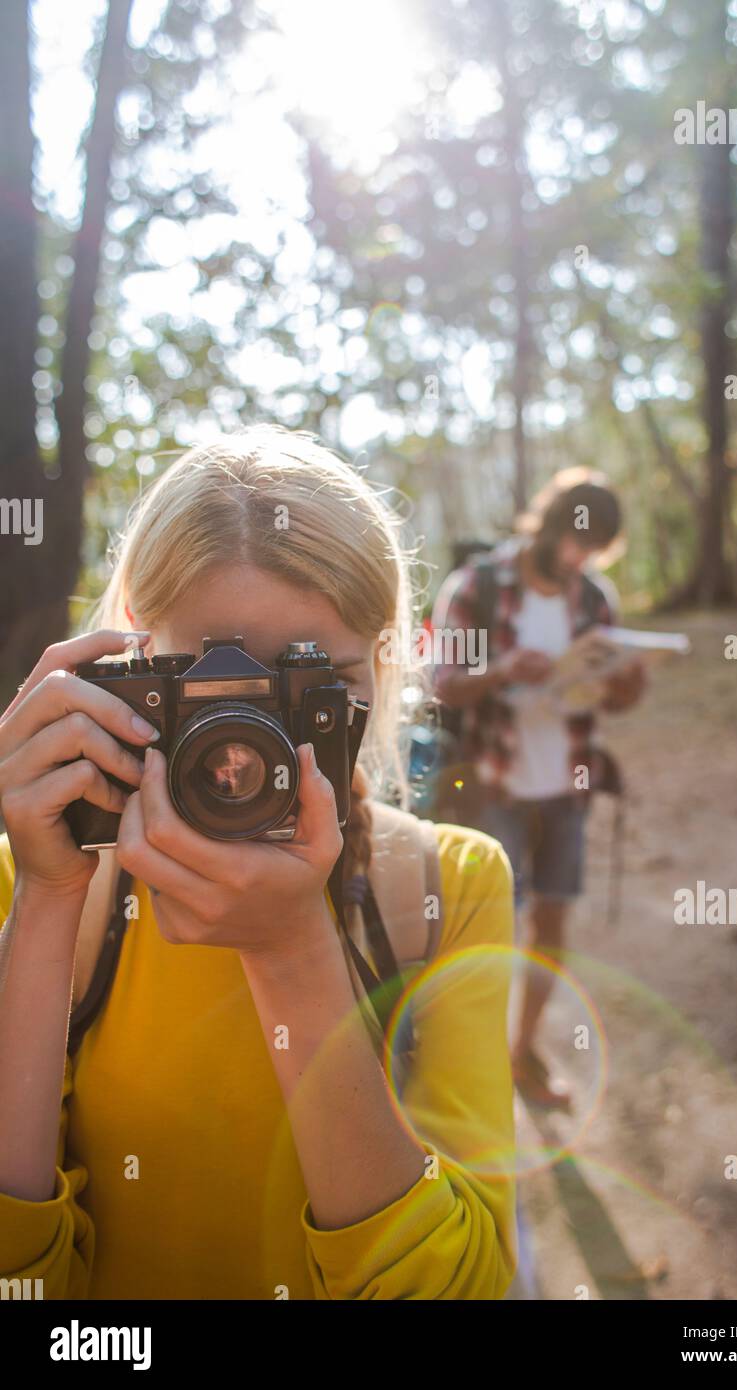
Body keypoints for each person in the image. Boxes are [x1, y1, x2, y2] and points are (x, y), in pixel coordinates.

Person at [0, 426, 517, 1300]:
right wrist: (50, 898)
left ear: (382, 672)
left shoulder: (448, 888)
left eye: (313, 686)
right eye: (221, 683)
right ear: (134, 660)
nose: (252, 752)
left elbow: (466, 1290)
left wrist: (296, 955)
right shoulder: (42, 877)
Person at [432, 468, 645, 1110]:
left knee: (551, 924)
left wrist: (628, 684)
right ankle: (464, 1066)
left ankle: (521, 1051)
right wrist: (498, 672)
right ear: (550, 524)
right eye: (575, 538)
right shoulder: (479, 586)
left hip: (567, 786)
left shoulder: (593, 600)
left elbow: (615, 695)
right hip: (494, 786)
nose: (579, 556)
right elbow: (441, 681)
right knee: (487, 931)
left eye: (595, 547)